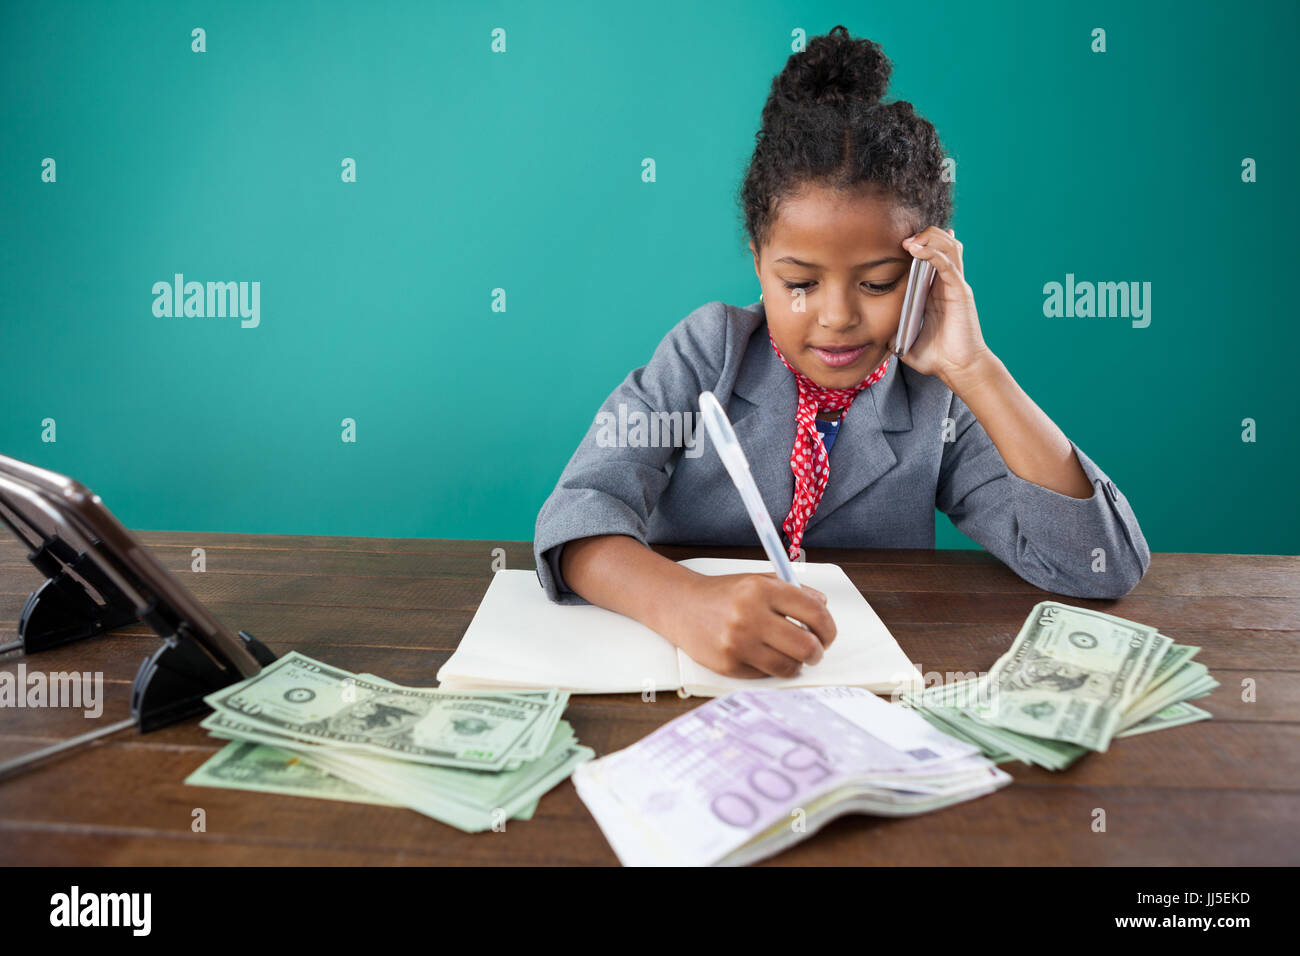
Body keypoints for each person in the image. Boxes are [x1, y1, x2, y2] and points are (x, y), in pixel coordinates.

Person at [533, 26, 1149, 680]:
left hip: (863, 697)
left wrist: (976, 370)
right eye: (798, 284)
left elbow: (1095, 564)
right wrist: (683, 602)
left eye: (878, 283)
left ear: (926, 270)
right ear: (758, 264)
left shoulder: (934, 396)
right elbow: (576, 519)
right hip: (692, 679)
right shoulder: (706, 351)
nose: (836, 317)